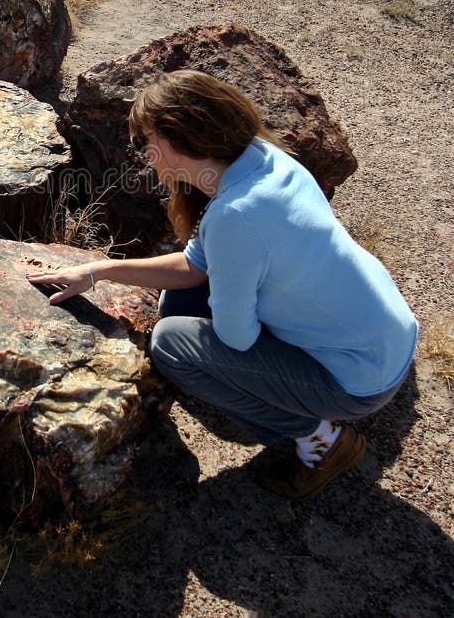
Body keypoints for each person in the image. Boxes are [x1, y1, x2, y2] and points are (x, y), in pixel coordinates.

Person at [27, 69, 418, 501]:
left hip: (359, 381)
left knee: (171, 343)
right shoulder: (263, 159)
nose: (144, 155)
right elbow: (196, 267)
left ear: (180, 137)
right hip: (385, 335)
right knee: (178, 304)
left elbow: (237, 336)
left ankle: (320, 439)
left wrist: (230, 314)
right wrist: (96, 271)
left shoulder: (235, 216)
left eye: (146, 142)